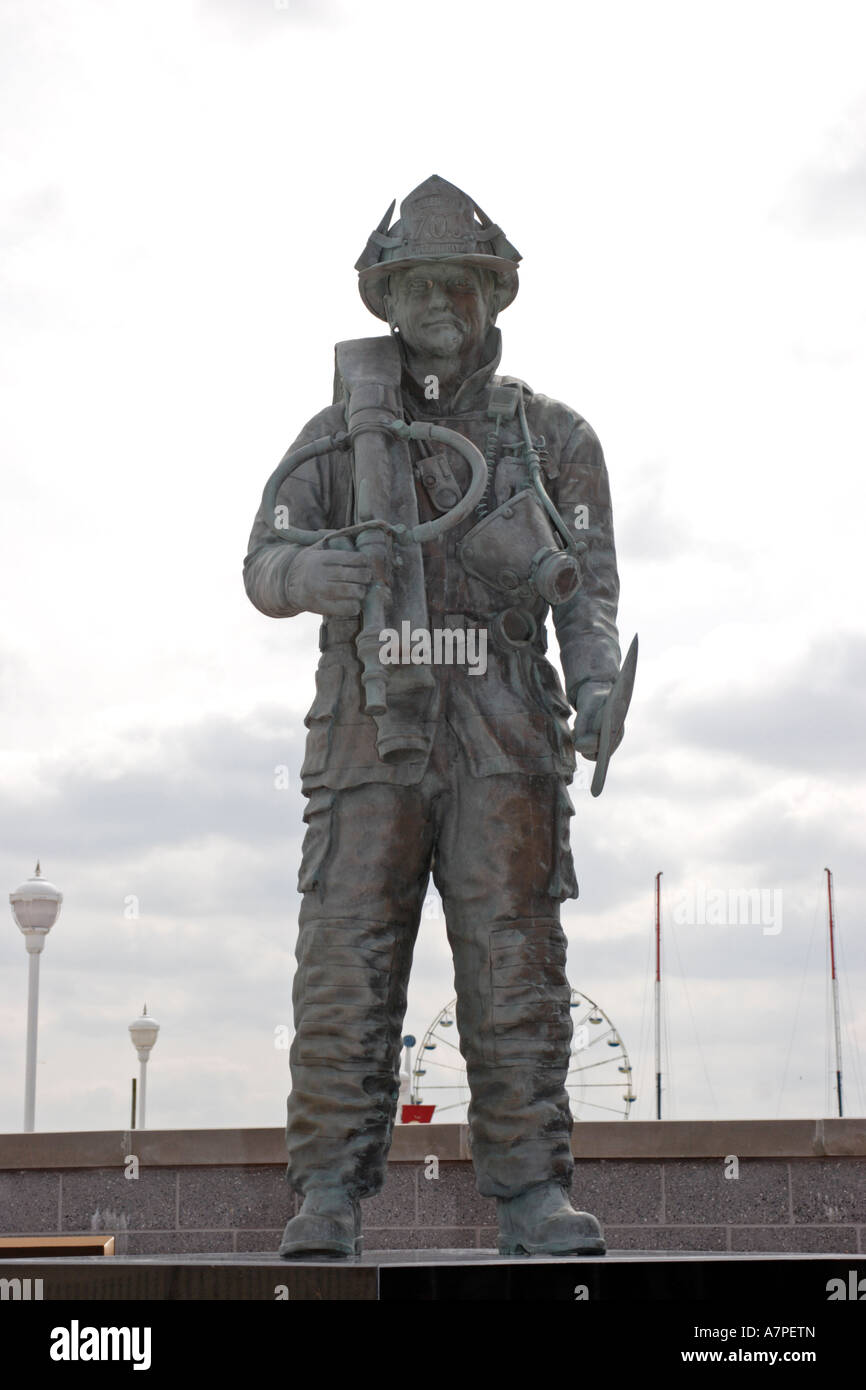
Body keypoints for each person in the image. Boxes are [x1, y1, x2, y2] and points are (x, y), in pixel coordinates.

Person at [243, 176, 624, 1258]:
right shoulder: (334, 436)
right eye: (413, 284)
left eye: (454, 281)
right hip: (368, 736)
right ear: (386, 299)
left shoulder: (553, 437)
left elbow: (588, 594)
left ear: (491, 293)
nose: (435, 303)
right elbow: (262, 559)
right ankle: (324, 1193)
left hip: (504, 738)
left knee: (513, 964)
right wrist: (315, 571)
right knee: (344, 961)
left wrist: (595, 691)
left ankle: (528, 1195)